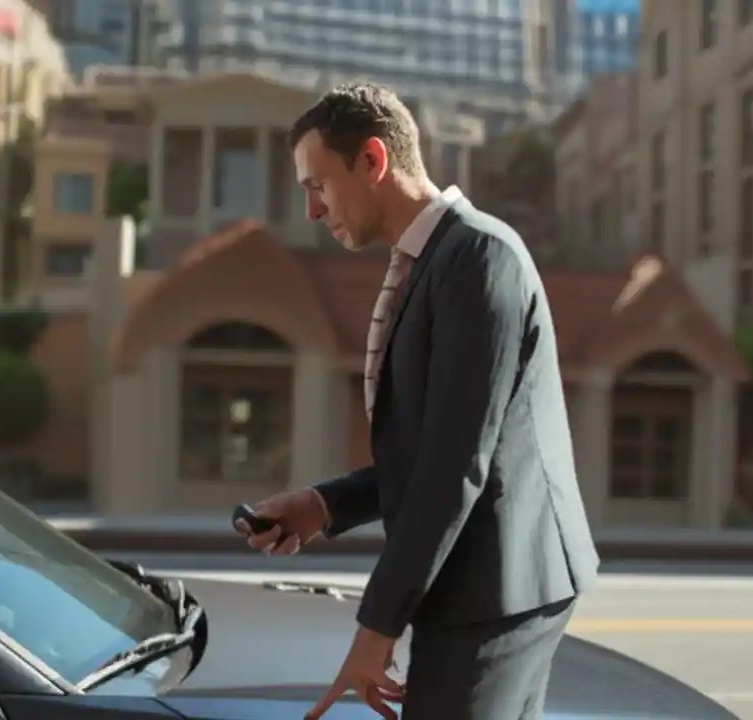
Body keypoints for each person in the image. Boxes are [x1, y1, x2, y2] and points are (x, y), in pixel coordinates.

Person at [235, 82, 600, 720]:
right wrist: (325, 506)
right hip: (475, 587)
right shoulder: (436, 261)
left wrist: (375, 631)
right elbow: (437, 452)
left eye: (317, 185)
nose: (312, 212)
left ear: (373, 161)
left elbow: (456, 463)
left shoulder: (479, 260)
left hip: (498, 590)